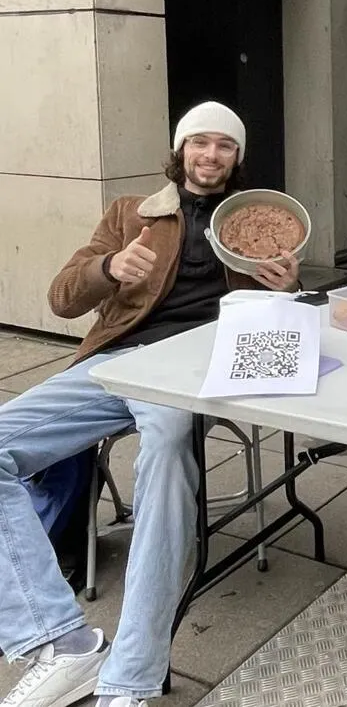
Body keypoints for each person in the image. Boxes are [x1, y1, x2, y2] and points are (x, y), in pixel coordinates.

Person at [0, 101, 300, 707]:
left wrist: (289, 289)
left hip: (195, 370)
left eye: (225, 145)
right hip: (117, 362)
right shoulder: (130, 213)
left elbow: (279, 332)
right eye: (200, 142)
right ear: (180, 149)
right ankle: (61, 642)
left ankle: (131, 677)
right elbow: (61, 298)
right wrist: (109, 268)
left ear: (238, 157)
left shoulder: (257, 219)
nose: (211, 155)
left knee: (163, 464)